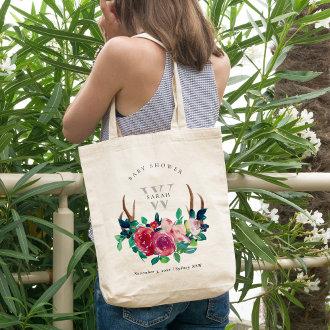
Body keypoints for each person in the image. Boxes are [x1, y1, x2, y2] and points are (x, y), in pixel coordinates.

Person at [62, 0, 231, 329]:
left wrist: (112, 40)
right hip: (205, 278)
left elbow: (73, 129)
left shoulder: (121, 53)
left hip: (139, 281)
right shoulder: (217, 62)